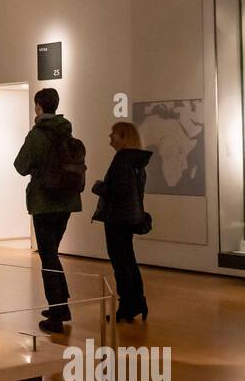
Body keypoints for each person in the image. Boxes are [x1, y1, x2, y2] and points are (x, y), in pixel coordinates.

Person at [14, 88, 83, 333]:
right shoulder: (66, 131)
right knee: (51, 253)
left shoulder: (37, 135)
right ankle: (61, 306)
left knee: (48, 257)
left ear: (39, 107)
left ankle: (56, 313)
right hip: (66, 201)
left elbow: (20, 166)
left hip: (44, 202)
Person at [91, 122, 153, 323]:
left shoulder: (122, 160)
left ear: (124, 137)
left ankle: (127, 305)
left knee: (121, 263)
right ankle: (137, 302)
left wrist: (98, 186)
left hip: (117, 219)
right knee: (128, 261)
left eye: (114, 134)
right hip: (129, 217)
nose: (110, 137)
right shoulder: (136, 162)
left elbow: (118, 191)